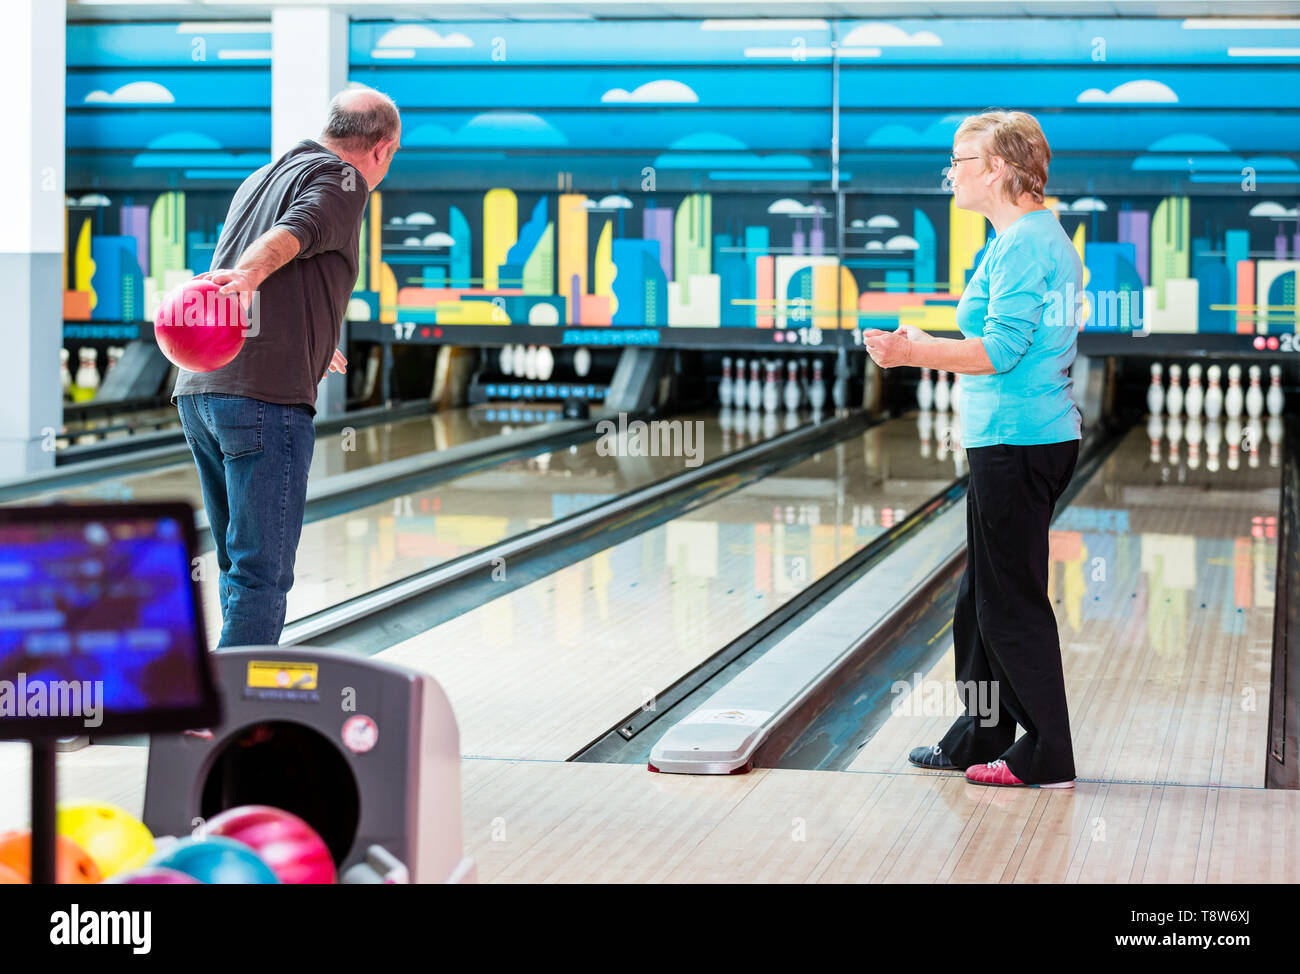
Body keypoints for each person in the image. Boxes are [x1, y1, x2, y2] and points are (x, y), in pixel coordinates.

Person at [863, 110, 1081, 789]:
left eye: (960, 161)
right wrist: (924, 340)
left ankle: (1047, 751)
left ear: (997, 169)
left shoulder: (1024, 244)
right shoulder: (1026, 238)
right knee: (979, 599)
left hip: (1020, 439)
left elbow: (999, 351)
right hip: (1014, 437)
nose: (950, 173)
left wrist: (910, 352)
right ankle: (981, 732)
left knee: (1009, 602)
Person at [174, 84, 401, 648]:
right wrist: (249, 280)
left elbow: (266, 264)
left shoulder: (260, 177)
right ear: (382, 148)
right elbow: (293, 235)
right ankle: (236, 713)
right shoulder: (344, 178)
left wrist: (310, 340)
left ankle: (218, 693)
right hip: (262, 399)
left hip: (203, 389)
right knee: (262, 571)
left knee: (235, 560)